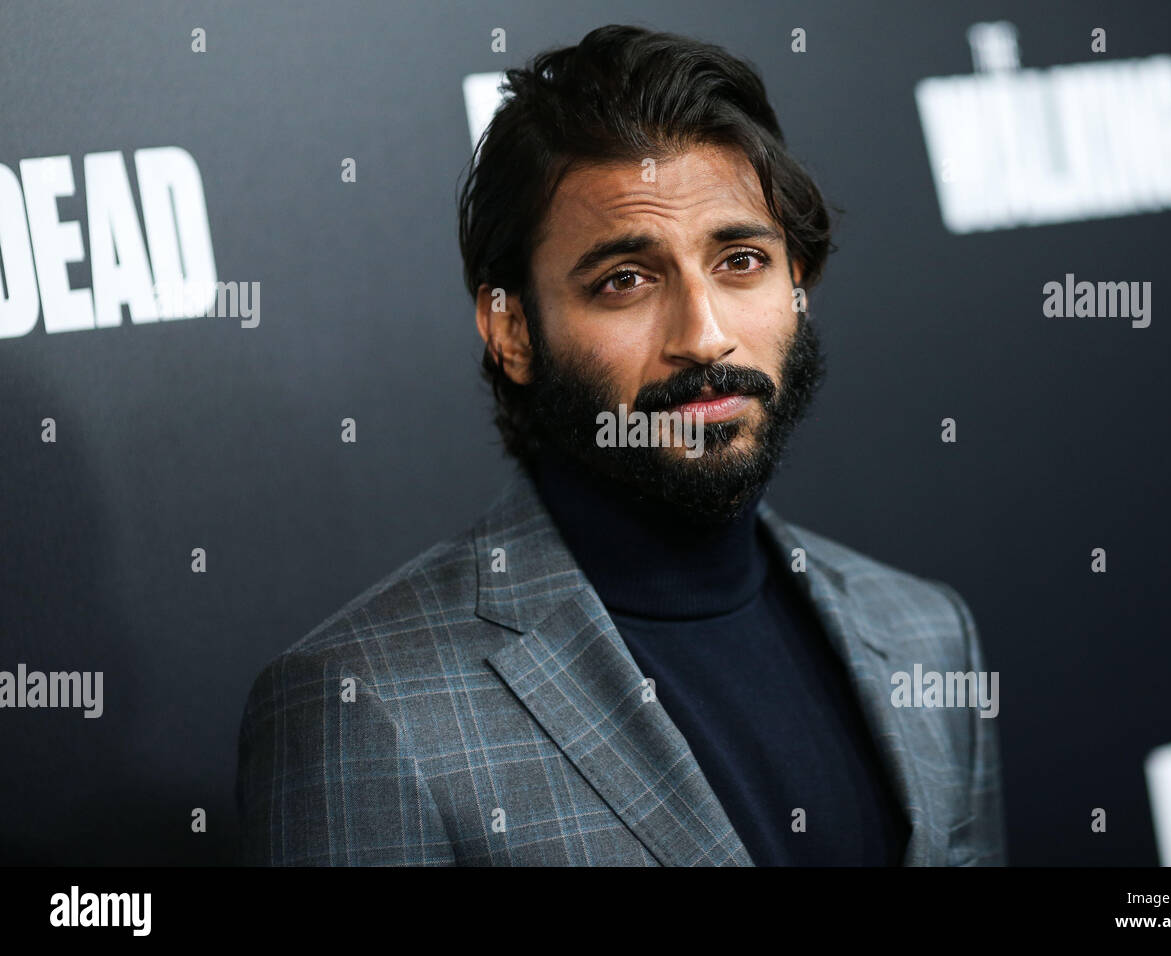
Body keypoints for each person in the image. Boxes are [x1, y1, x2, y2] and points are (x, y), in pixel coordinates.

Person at [236, 23, 1007, 866]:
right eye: (625, 281)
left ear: (798, 282)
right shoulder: (366, 708)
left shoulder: (926, 633)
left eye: (741, 260)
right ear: (514, 332)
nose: (705, 336)